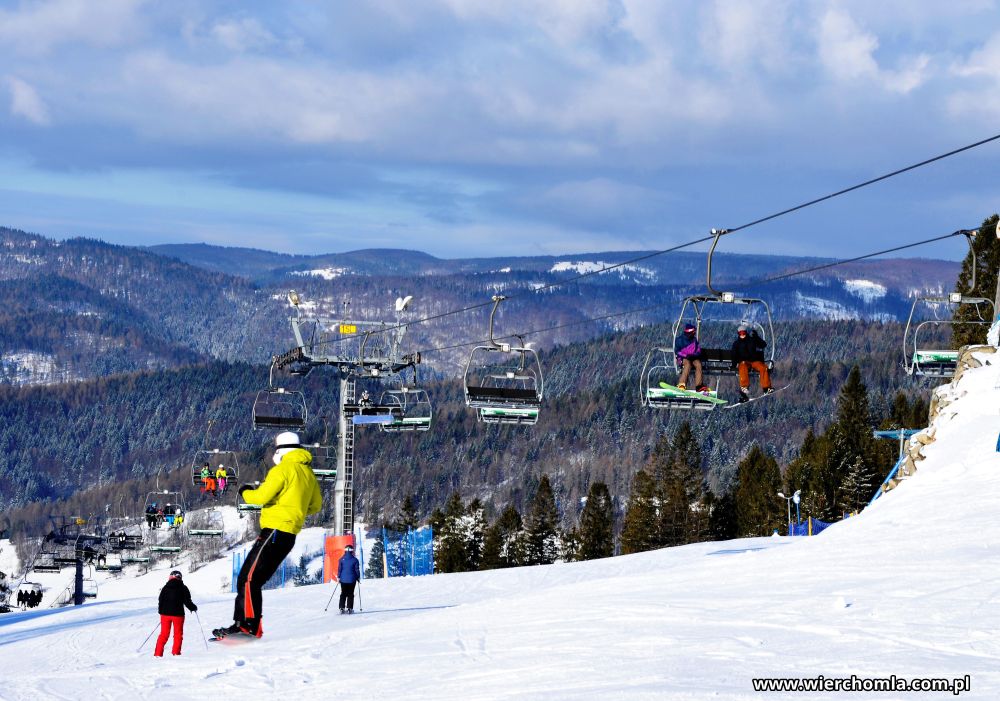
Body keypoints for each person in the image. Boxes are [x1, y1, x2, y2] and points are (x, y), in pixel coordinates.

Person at [213, 431, 322, 640]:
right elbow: (315, 505)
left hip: (273, 531)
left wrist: (245, 491)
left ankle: (246, 626)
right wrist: (293, 510)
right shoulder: (308, 474)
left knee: (247, 578)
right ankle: (250, 625)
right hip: (289, 534)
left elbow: (260, 497)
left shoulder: (282, 470)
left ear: (280, 450)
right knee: (254, 580)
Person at [154, 570, 197, 657]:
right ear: (180, 578)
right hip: (178, 615)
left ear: (170, 577)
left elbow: (160, 600)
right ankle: (176, 653)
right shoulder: (183, 588)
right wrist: (193, 608)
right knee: (178, 634)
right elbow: (187, 601)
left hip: (165, 615)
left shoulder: (165, 587)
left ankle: (158, 654)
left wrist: (161, 611)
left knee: (163, 634)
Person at [731, 323, 773, 403]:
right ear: (738, 334)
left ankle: (766, 387)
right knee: (743, 365)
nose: (742, 335)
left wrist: (756, 337)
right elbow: (734, 354)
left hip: (754, 361)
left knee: (763, 367)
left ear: (746, 333)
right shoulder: (736, 344)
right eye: (740, 333)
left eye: (743, 333)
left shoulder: (752, 340)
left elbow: (763, 345)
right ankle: (744, 387)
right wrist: (733, 364)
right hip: (744, 362)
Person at [674, 322, 708, 392]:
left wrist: (694, 355)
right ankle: (682, 384)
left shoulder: (694, 340)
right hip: (683, 358)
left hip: (693, 357)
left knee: (698, 364)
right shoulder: (680, 340)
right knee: (688, 364)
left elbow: (698, 350)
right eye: (693, 332)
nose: (694, 334)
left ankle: (699, 385)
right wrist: (686, 356)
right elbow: (677, 351)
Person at [337, 544, 361, 614]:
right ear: (352, 551)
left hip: (343, 580)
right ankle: (349, 608)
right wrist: (358, 577)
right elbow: (357, 570)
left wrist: (338, 577)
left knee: (343, 593)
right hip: (352, 580)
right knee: (350, 593)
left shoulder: (341, 559)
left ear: (345, 551)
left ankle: (341, 608)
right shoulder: (355, 560)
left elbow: (339, 569)